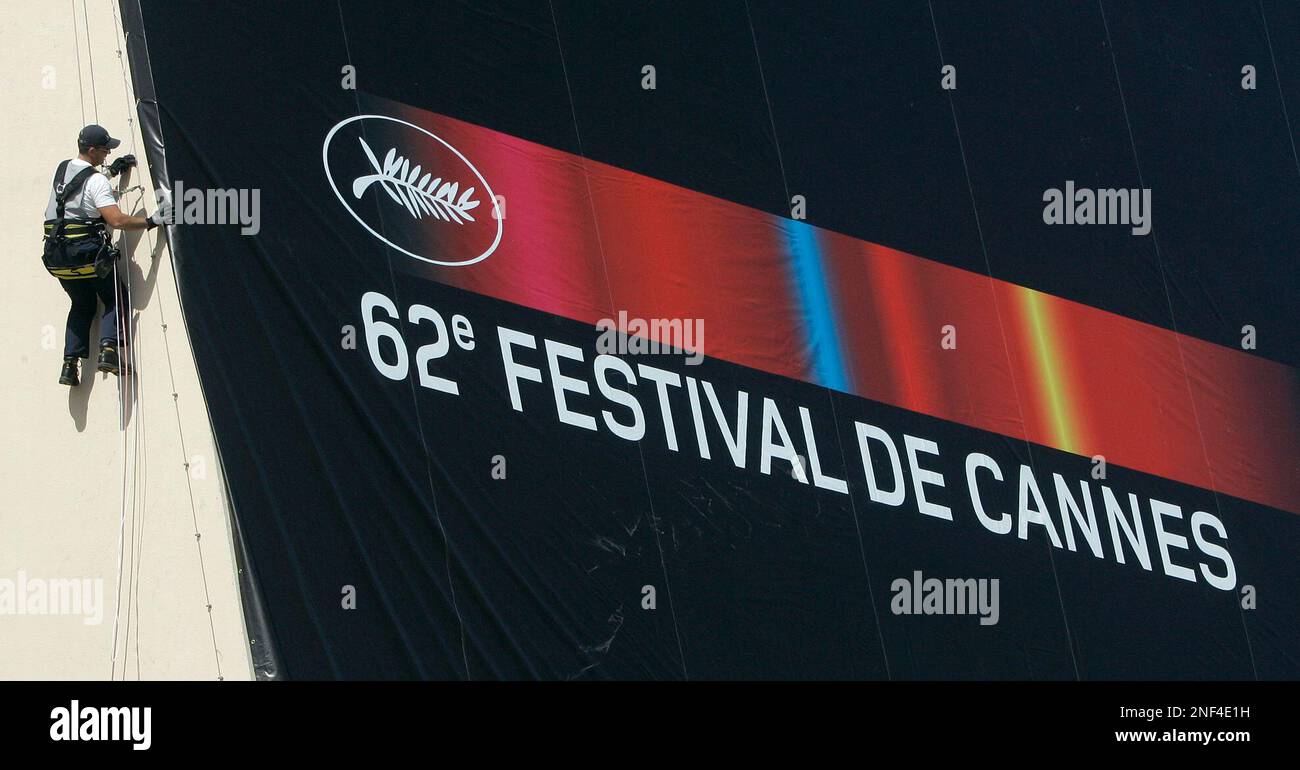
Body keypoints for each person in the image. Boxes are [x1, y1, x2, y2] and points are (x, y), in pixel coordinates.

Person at [42, 124, 168, 386]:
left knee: (82, 304)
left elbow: (75, 191)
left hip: (58, 260)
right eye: (104, 150)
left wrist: (110, 172)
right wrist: (151, 222)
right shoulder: (96, 181)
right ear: (91, 150)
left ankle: (70, 364)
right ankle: (108, 351)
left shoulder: (62, 169)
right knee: (117, 297)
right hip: (87, 258)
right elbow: (117, 220)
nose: (107, 154)